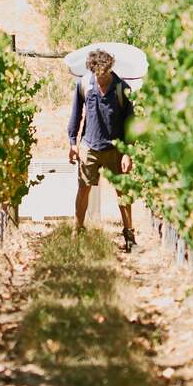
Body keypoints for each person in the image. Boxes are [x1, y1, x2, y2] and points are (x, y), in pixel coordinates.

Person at [68, 48, 138, 249]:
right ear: (92, 70)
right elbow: (76, 114)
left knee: (122, 191)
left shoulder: (121, 88)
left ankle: (129, 234)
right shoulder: (84, 85)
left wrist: (127, 152)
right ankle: (78, 229)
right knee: (83, 188)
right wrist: (73, 143)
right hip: (89, 146)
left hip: (115, 149)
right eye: (97, 74)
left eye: (104, 73)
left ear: (110, 69)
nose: (101, 78)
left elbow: (130, 122)